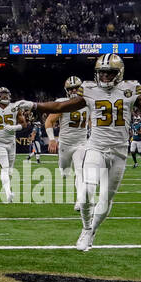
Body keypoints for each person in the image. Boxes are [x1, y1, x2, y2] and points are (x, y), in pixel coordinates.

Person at [16, 54, 141, 252]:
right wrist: (34, 105)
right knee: (85, 193)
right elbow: (60, 106)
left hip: (119, 151)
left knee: (106, 198)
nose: (106, 77)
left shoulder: (130, 89)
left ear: (119, 73)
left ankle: (92, 231)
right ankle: (85, 228)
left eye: (110, 73)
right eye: (102, 73)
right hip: (96, 147)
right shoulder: (90, 89)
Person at [45, 76, 89, 223]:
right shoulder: (62, 103)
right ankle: (63, 171)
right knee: (64, 171)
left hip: (81, 143)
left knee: (80, 172)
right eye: (71, 89)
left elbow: (93, 122)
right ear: (67, 90)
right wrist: (52, 139)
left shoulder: (89, 101)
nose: (74, 91)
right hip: (65, 144)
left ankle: (80, 200)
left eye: (76, 87)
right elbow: (49, 121)